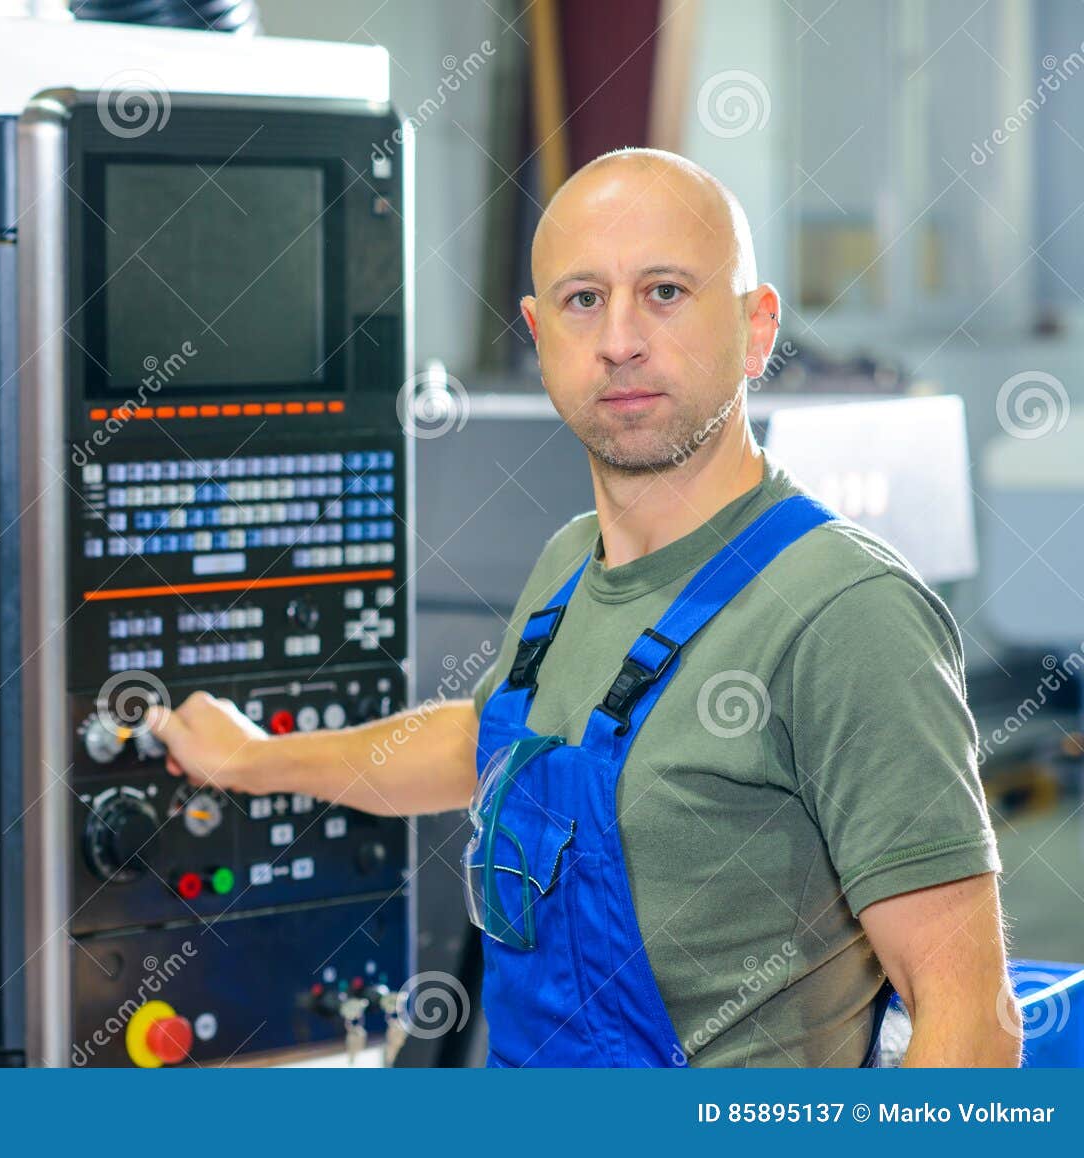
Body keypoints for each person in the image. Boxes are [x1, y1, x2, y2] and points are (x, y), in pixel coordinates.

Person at [146, 148, 1018, 1067]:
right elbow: (479, 744)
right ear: (539, 331)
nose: (620, 341)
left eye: (667, 292)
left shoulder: (846, 612)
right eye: (583, 300)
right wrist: (253, 759)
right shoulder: (571, 564)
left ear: (758, 329)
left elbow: (968, 1016)